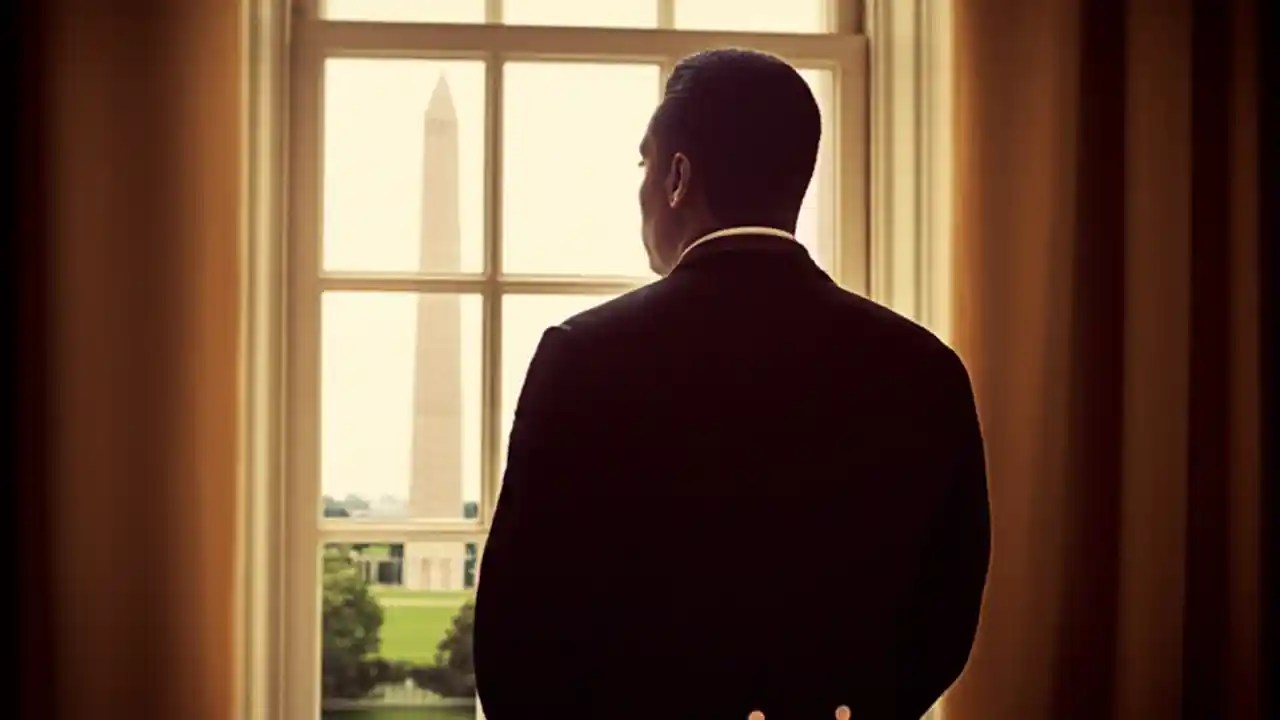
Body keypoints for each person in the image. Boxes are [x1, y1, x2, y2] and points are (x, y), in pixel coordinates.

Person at [474, 48, 990, 720]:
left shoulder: (583, 358)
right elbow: (945, 617)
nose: (642, 189)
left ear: (677, 177)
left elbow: (516, 639)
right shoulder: (926, 368)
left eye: (644, 165)